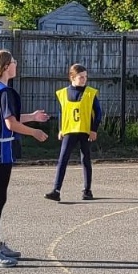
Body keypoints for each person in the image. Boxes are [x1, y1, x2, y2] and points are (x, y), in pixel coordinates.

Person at [0, 49, 49, 267]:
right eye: (13, 62)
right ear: (5, 67)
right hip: (0, 150)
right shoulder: (4, 92)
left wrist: (33, 118)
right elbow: (11, 125)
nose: (16, 64)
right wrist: (35, 132)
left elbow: (11, 118)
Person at [45, 63, 101, 202]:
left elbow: (98, 113)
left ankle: (87, 190)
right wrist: (61, 129)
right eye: (81, 77)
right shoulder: (63, 93)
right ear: (72, 77)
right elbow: (62, 112)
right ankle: (56, 190)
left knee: (85, 160)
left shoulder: (90, 93)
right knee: (62, 159)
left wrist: (94, 129)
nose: (84, 80)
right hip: (70, 131)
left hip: (84, 131)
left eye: (85, 77)